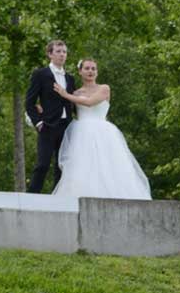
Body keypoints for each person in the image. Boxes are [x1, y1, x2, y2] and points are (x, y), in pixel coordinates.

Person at [51, 58, 153, 201]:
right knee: (83, 167)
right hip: (81, 134)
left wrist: (66, 95)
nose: (90, 71)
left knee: (108, 166)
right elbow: (64, 109)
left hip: (103, 132)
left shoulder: (104, 89)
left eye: (93, 69)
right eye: (87, 68)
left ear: (97, 72)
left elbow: (89, 103)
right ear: (80, 71)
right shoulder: (75, 93)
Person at [23, 39, 77, 194]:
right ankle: (31, 197)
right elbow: (29, 103)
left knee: (62, 166)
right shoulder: (40, 74)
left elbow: (73, 103)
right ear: (50, 54)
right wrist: (38, 123)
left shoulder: (70, 78)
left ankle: (57, 198)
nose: (62, 55)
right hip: (47, 126)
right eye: (58, 51)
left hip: (66, 126)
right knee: (42, 164)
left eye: (64, 52)